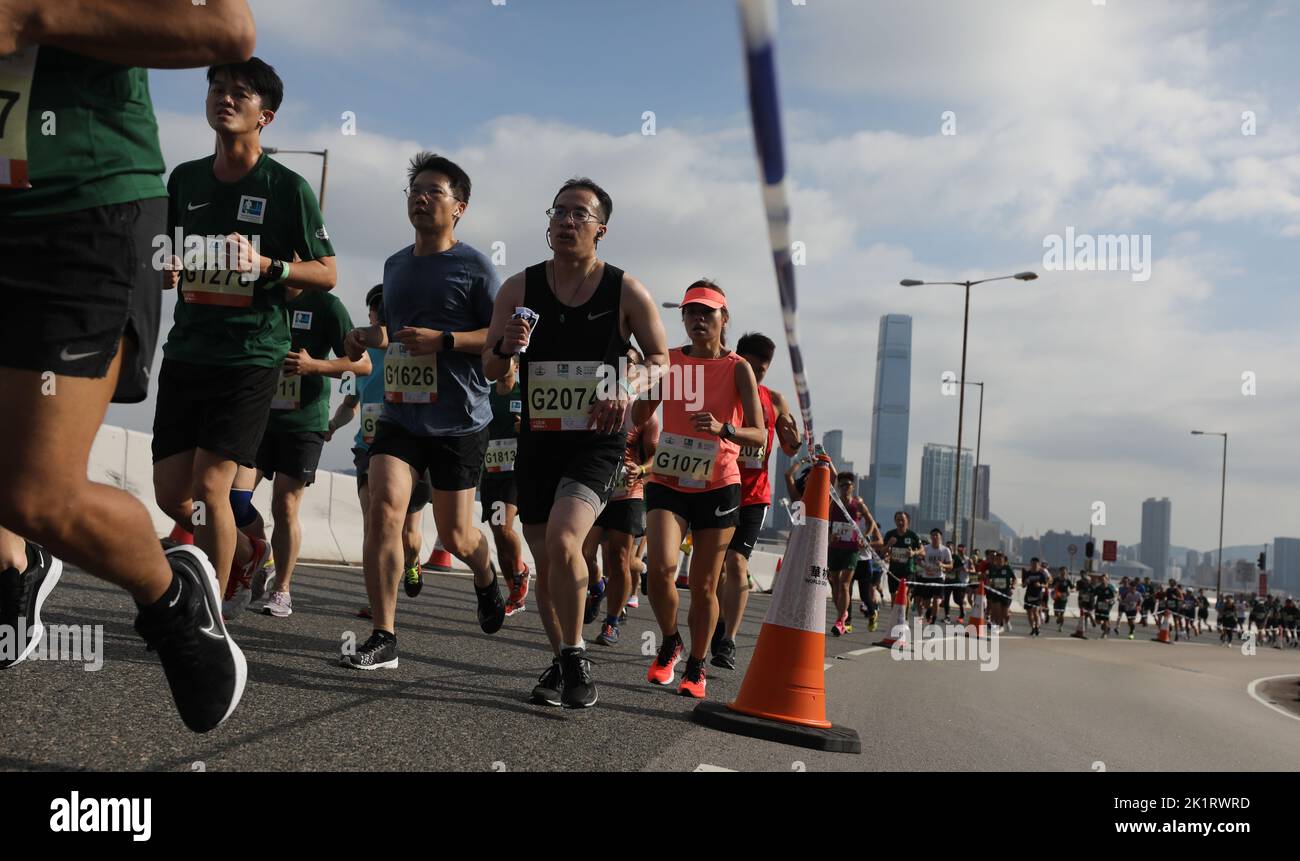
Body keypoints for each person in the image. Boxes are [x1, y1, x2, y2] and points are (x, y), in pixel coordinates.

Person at [0, 1, 256, 731]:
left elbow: (225, 28)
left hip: (77, 209)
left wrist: (30, 16)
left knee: (37, 495)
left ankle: (170, 597)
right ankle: (13, 567)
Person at [151, 57, 337, 620]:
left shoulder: (287, 188)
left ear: (266, 116)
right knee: (170, 496)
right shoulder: (184, 178)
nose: (224, 99)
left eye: (239, 93)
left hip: (250, 355)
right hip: (187, 351)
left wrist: (267, 265)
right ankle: (249, 543)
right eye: (216, 89)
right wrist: (169, 267)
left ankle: (208, 611)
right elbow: (166, 250)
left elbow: (326, 272)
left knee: (212, 488)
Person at [483, 177, 668, 708]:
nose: (566, 221)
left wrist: (626, 384)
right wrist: (505, 346)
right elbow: (490, 367)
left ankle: (576, 654)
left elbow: (661, 360)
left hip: (599, 441)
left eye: (579, 214)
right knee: (548, 561)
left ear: (600, 229)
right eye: (558, 211)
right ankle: (564, 655)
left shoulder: (625, 290)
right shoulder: (518, 288)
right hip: (539, 439)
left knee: (566, 541)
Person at [340, 152, 503, 669]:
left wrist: (447, 339)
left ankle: (484, 573)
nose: (421, 197)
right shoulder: (394, 264)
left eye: (434, 191)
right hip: (401, 413)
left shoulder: (474, 266)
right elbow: (395, 332)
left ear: (460, 207)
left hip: (459, 418)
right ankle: (384, 635)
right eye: (415, 189)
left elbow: (498, 341)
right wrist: (366, 336)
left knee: (456, 535)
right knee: (383, 509)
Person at [636, 281, 764, 699]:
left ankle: (696, 664)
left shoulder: (738, 367)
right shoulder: (669, 362)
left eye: (707, 313)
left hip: (719, 483)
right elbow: (639, 413)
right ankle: (671, 639)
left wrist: (724, 428)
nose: (698, 320)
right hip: (669, 477)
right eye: (691, 312)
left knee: (706, 585)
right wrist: (639, 382)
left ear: (724, 319)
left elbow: (759, 436)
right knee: (659, 569)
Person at [328, 285, 433, 618]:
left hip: (414, 449)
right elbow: (350, 404)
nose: (380, 314)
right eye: (375, 310)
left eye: (387, 308)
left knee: (410, 536)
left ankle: (413, 561)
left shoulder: (418, 347)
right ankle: (381, 601)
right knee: (375, 521)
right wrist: (332, 425)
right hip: (369, 448)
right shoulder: (359, 356)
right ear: (370, 316)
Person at [712, 332, 801, 668]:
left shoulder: (775, 400)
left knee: (736, 564)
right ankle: (719, 623)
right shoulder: (721, 390)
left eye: (763, 370)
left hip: (754, 494)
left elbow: (791, 448)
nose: (757, 374)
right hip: (717, 487)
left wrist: (794, 441)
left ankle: (729, 641)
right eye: (751, 367)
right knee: (716, 571)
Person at [592, 347, 659, 646]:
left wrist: (641, 470)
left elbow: (659, 459)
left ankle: (612, 621)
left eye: (631, 363)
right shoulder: (593, 396)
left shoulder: (645, 412)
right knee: (581, 551)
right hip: (593, 484)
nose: (625, 367)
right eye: (619, 362)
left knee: (619, 558)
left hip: (628, 491)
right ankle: (596, 587)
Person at [479, 353, 530, 616]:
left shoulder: (525, 393)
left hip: (515, 471)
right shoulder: (485, 394)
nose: (502, 365)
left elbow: (541, 427)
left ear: (517, 366)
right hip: (491, 471)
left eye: (508, 360)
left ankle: (521, 571)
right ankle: (514, 592)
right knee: (498, 537)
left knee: (504, 526)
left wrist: (527, 428)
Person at [826, 473, 877, 636]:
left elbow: (871, 522)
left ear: (853, 487)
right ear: (839, 487)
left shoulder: (858, 504)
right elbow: (825, 521)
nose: (845, 487)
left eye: (848, 484)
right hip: (835, 547)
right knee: (835, 584)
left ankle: (841, 621)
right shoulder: (834, 503)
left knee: (845, 583)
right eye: (842, 485)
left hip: (852, 549)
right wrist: (829, 535)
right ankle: (842, 613)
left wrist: (865, 537)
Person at [881, 512, 923, 613]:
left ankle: (904, 617)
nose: (900, 522)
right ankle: (894, 618)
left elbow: (922, 549)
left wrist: (913, 553)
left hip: (907, 570)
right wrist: (889, 545)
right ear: (895, 521)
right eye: (898, 520)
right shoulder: (890, 534)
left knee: (904, 594)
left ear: (907, 522)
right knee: (894, 596)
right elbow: (882, 551)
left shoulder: (912, 535)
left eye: (902, 520)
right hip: (893, 571)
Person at [919, 529, 952, 626]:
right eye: (933, 535)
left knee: (936, 600)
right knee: (926, 602)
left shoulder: (945, 550)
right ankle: (929, 611)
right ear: (930, 537)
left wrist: (942, 565)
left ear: (940, 537)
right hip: (927, 577)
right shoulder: (926, 548)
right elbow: (918, 560)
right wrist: (924, 566)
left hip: (939, 577)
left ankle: (933, 619)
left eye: (936, 535)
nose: (934, 537)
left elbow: (950, 565)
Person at [985, 552, 1015, 632]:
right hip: (996, 592)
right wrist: (989, 584)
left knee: (1005, 613)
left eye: (1000, 560)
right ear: (995, 560)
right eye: (997, 560)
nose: (999, 561)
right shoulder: (992, 568)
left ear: (1004, 560)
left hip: (1005, 593)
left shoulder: (1007, 568)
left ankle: (1007, 621)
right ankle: (999, 625)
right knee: (996, 610)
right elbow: (989, 579)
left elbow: (1014, 579)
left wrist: (1013, 585)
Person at [1021, 558, 1047, 636]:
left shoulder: (1041, 574)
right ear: (1031, 564)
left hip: (1037, 595)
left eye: (1036, 564)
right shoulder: (1027, 573)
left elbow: (1046, 585)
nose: (1034, 566)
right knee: (1029, 613)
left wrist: (1040, 585)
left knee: (1035, 612)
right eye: (1033, 564)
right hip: (1028, 595)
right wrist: (1025, 582)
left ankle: (1037, 628)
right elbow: (1023, 585)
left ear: (1039, 565)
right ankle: (1032, 628)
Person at [1093, 574, 1116, 639]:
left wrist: (1109, 600)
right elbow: (1093, 595)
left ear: (1107, 580)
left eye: (1104, 579)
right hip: (1099, 605)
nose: (1103, 581)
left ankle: (1105, 633)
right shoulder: (1098, 588)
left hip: (1107, 605)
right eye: (1101, 579)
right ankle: (1106, 625)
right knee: (1098, 621)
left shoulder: (1110, 588)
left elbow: (1114, 598)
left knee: (1105, 619)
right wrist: (1093, 604)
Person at [1051, 566, 1071, 631]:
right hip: (1057, 597)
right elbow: (1052, 586)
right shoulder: (1056, 579)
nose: (1063, 573)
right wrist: (1055, 587)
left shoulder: (1067, 580)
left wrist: (1069, 591)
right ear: (1060, 572)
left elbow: (1072, 588)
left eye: (1065, 571)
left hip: (1063, 598)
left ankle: (1060, 627)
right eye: (1062, 571)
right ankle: (1058, 617)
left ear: (1066, 572)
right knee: (1056, 612)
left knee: (1062, 613)